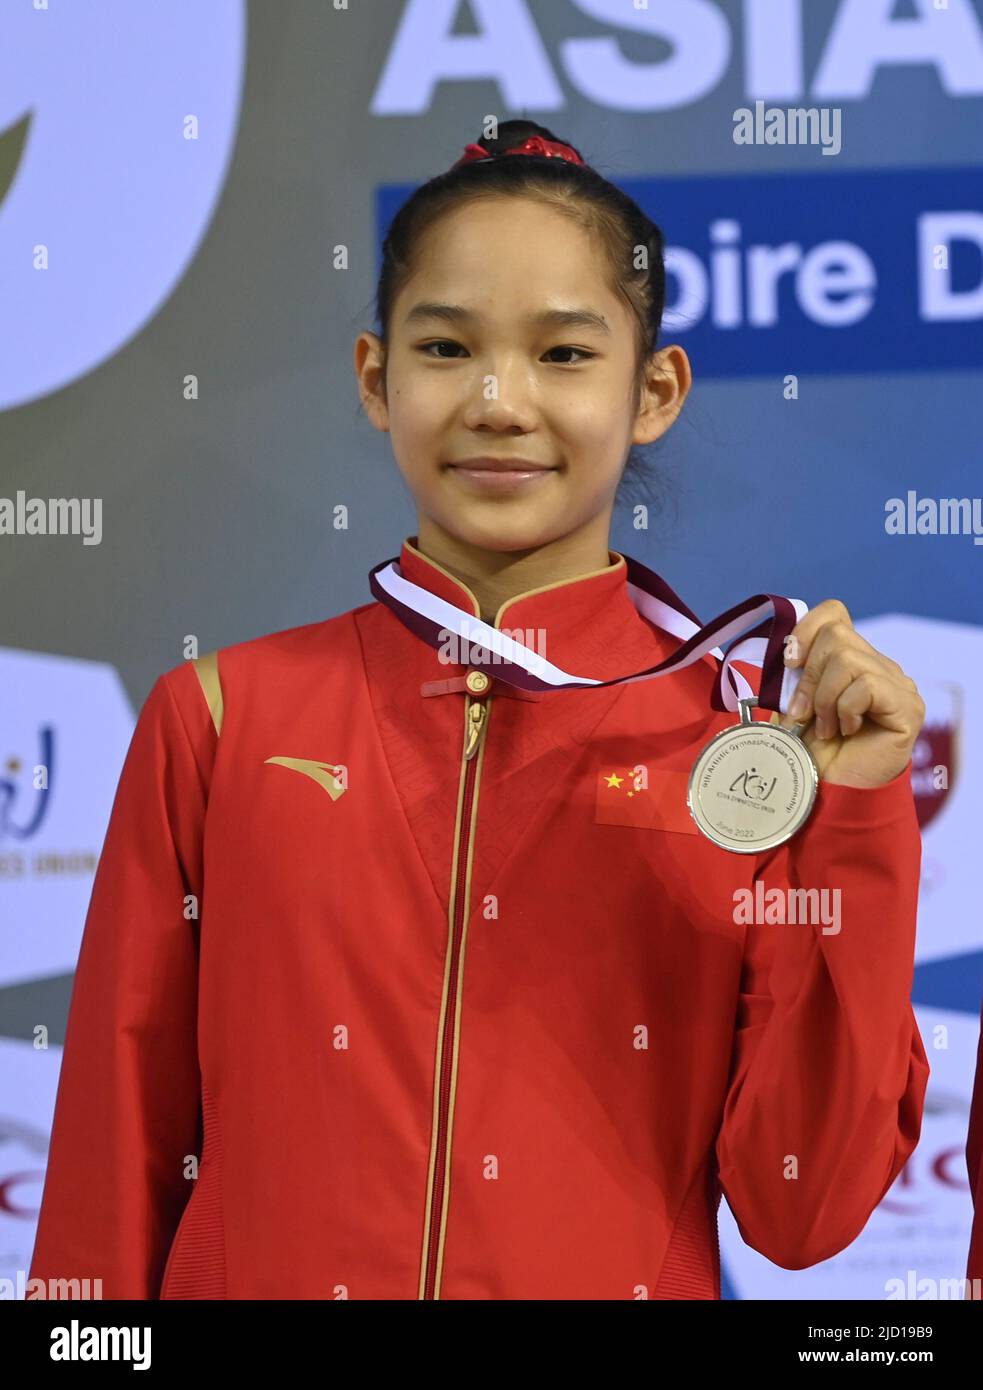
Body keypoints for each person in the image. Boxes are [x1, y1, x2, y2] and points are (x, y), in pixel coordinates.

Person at [28, 121, 930, 1301]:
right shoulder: (219, 715)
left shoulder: (741, 754)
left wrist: (853, 820)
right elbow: (111, 1163)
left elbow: (801, 1207)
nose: (499, 403)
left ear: (652, 390)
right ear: (373, 377)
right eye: (447, 346)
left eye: (562, 355)